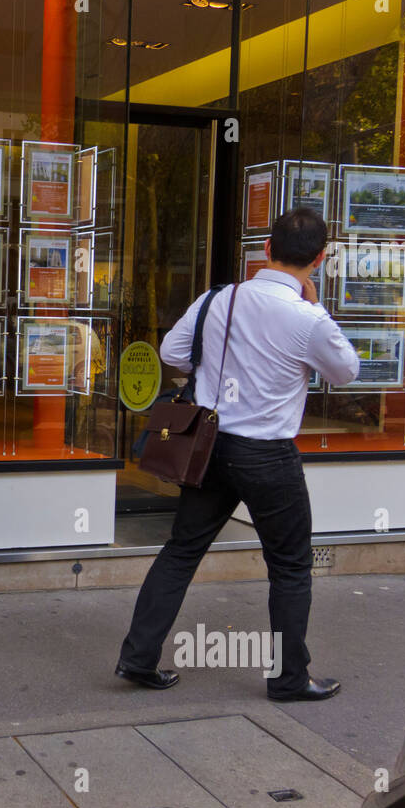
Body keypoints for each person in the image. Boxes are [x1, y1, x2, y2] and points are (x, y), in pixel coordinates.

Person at [115, 208, 360, 701]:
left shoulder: (217, 299)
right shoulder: (308, 319)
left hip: (208, 445)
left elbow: (173, 353)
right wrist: (317, 308)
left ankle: (138, 658)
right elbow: (347, 373)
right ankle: (289, 679)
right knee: (290, 565)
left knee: (182, 550)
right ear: (320, 258)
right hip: (267, 454)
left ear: (266, 250)